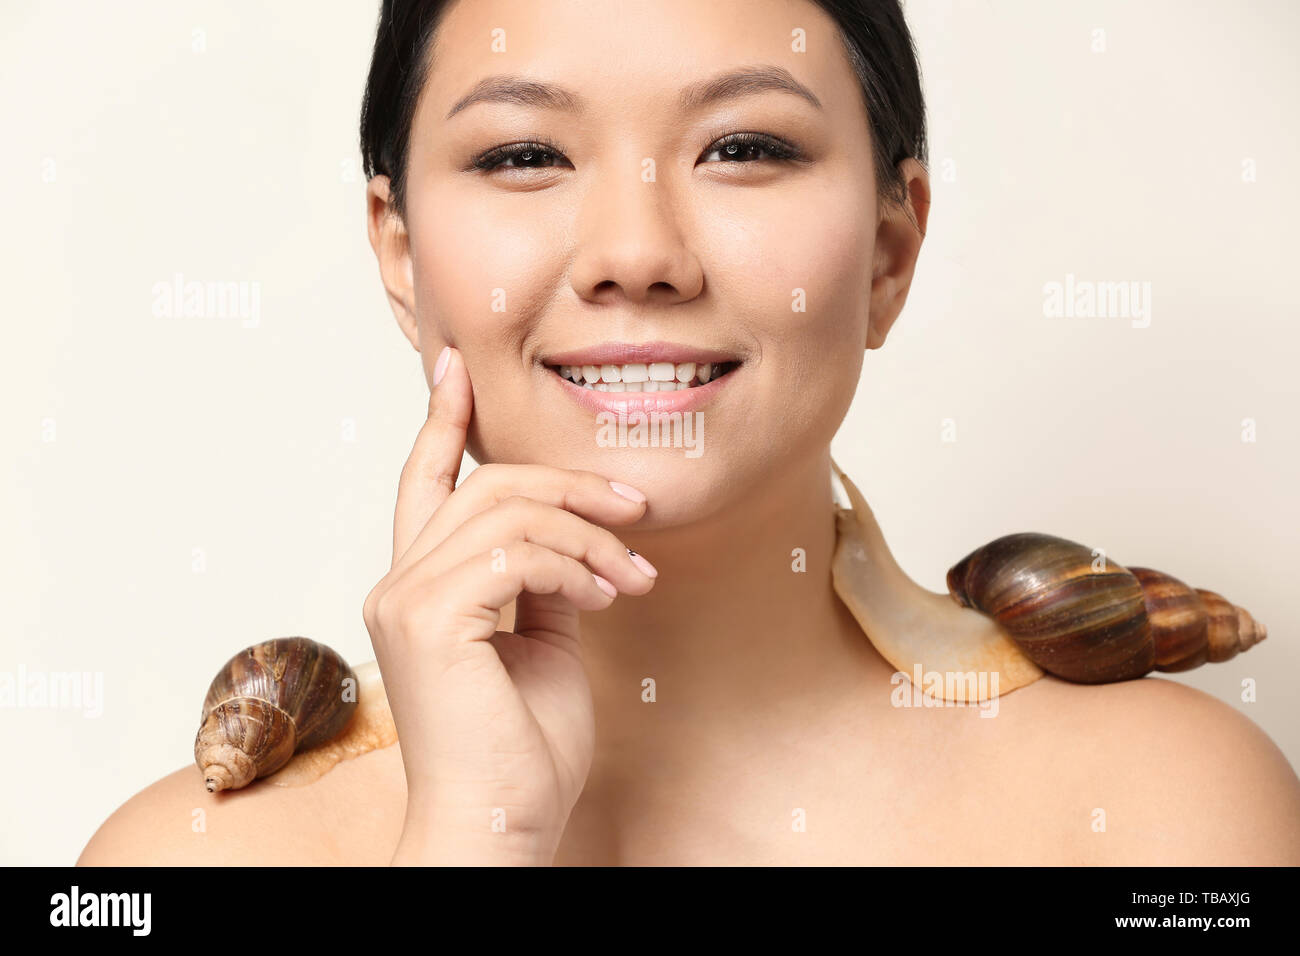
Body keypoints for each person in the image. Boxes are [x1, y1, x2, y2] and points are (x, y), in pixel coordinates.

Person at [78, 0, 1300, 866]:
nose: (637, 256)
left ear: (890, 247)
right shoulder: (182, 860)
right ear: (399, 256)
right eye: (522, 154)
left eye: (744, 147)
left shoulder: (1162, 814)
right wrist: (473, 839)